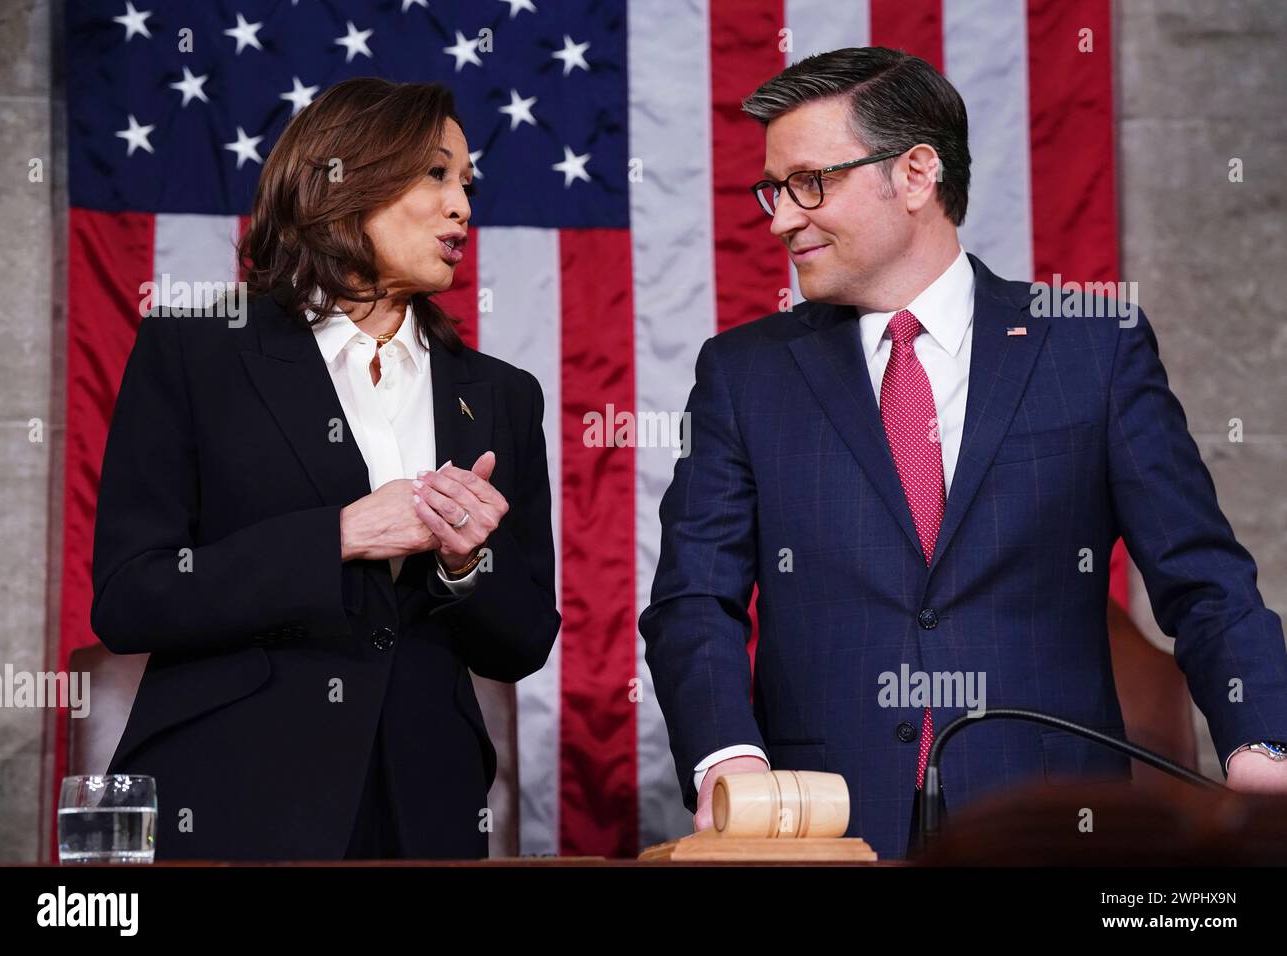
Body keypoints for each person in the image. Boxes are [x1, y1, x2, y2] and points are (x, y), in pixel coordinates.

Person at [638, 47, 1287, 860]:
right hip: (823, 825)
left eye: (811, 183)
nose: (779, 219)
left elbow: (1205, 582)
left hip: (1049, 824)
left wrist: (1263, 751)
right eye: (775, 189)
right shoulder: (744, 374)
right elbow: (694, 601)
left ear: (915, 175)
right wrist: (731, 762)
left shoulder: (1092, 350)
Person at [92, 78, 560, 861]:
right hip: (229, 799)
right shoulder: (195, 352)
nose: (463, 208)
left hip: (423, 811)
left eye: (468, 185)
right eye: (437, 174)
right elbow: (131, 596)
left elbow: (522, 644)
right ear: (343, 183)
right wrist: (336, 536)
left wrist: (465, 562)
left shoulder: (503, 395)